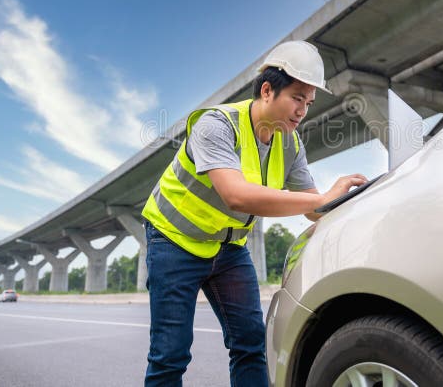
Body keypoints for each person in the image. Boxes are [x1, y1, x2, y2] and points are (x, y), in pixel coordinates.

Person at [142, 40, 367, 386]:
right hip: (174, 241)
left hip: (228, 250)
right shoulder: (216, 125)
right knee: (170, 354)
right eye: (297, 98)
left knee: (250, 343)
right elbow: (236, 196)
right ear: (267, 91)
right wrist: (321, 199)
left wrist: (358, 201)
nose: (302, 111)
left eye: (308, 103)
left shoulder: (290, 144)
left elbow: (315, 208)